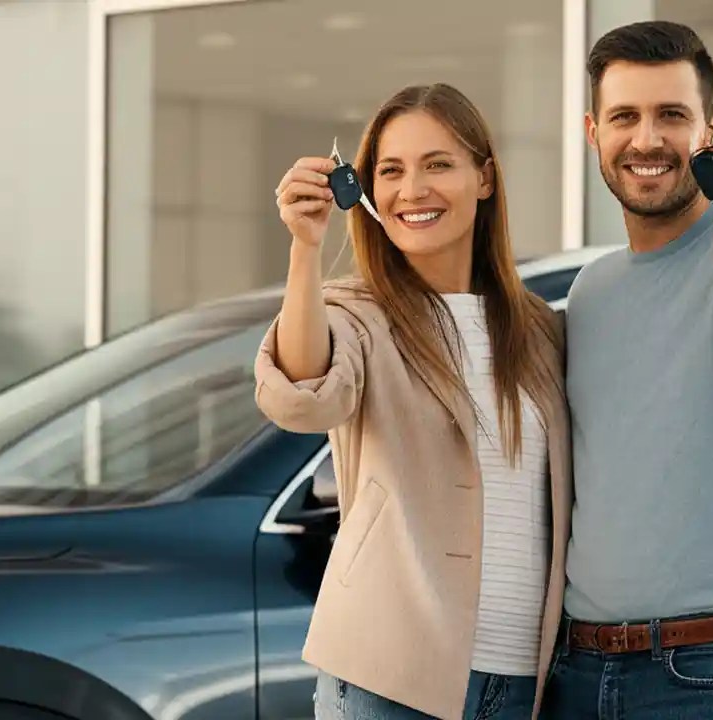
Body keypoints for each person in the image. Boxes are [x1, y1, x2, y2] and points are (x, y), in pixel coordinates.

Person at [254, 83, 572, 720]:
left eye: (438, 164)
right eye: (391, 171)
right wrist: (305, 248)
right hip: (389, 681)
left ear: (485, 178)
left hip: (523, 684)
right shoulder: (356, 313)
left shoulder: (539, 328)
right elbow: (302, 401)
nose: (412, 190)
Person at [544, 21, 713, 720]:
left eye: (671, 114)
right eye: (624, 117)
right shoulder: (591, 292)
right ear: (592, 133)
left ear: (711, 130)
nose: (645, 140)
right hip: (580, 674)